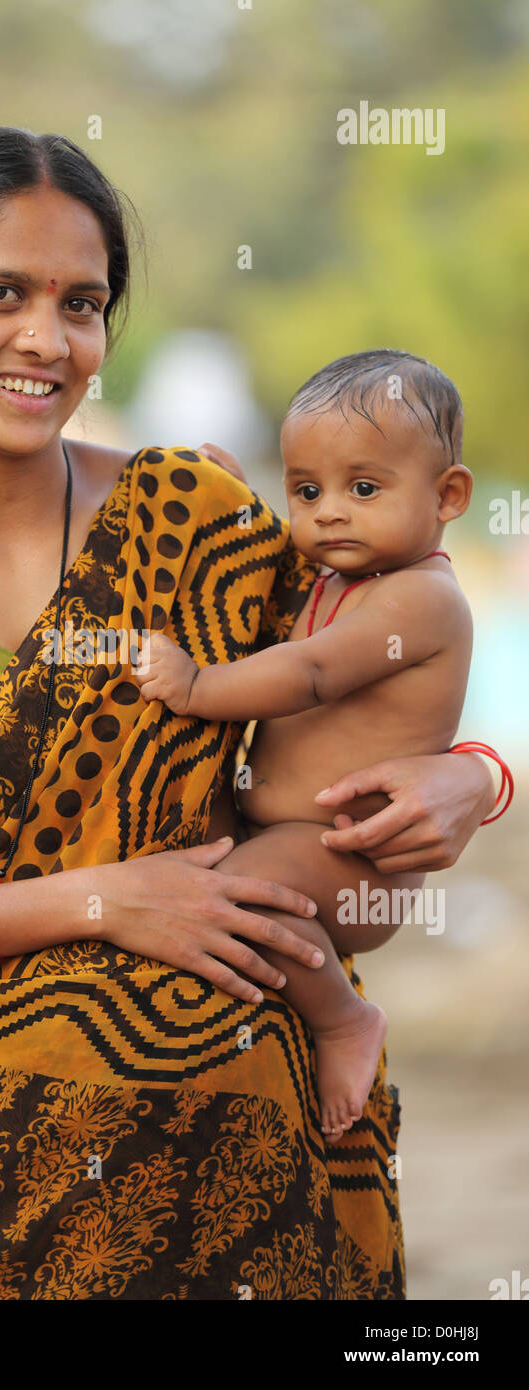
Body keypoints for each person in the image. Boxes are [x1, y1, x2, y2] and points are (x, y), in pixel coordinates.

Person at [0, 127, 501, 1301]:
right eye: (0, 291)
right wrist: (104, 898)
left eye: (82, 302)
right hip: (11, 1197)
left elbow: (374, 661)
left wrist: (476, 774)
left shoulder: (193, 517)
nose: (47, 340)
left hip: (280, 1175)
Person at [133, 349, 506, 1143]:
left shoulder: (421, 601)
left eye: (363, 489)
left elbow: (307, 672)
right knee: (178, 859)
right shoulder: (345, 578)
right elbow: (267, 567)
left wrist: (196, 687)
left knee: (230, 899)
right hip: (289, 833)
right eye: (307, 490)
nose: (328, 512)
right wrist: (226, 497)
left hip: (350, 857)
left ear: (449, 495)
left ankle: (343, 1019)